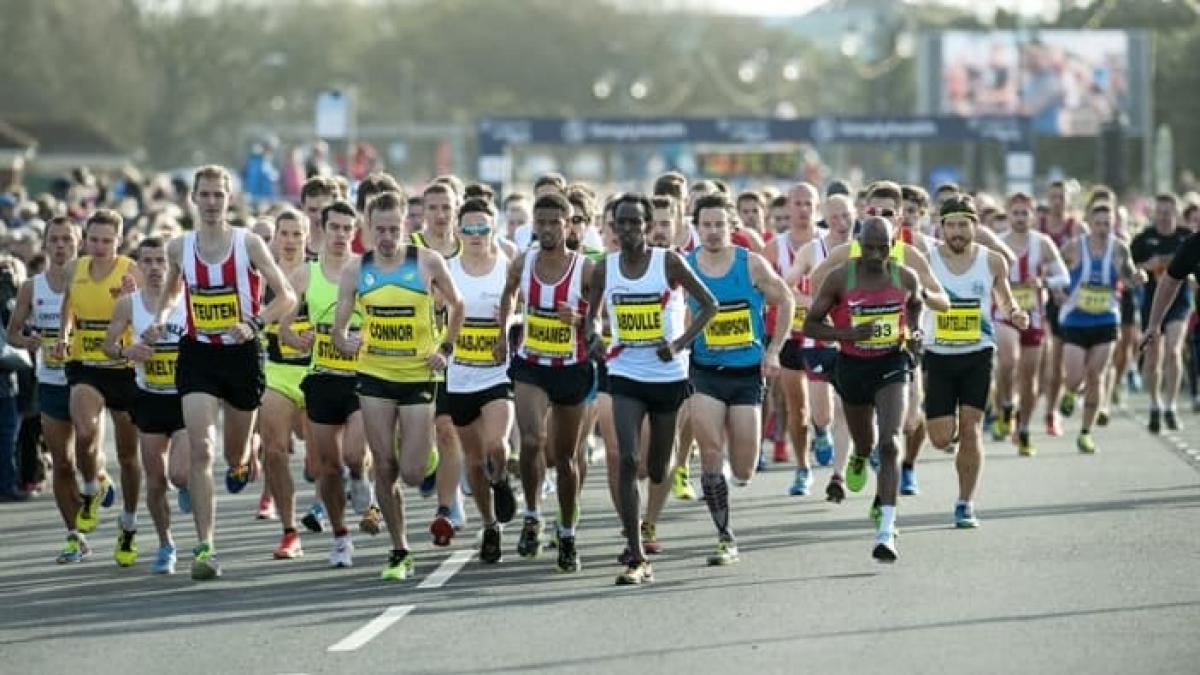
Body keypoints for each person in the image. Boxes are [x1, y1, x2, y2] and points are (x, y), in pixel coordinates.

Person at [145, 165, 296, 580]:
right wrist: (160, 319)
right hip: (198, 355)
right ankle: (205, 547)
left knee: (233, 456)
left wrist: (254, 323)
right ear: (193, 198)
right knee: (201, 450)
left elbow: (286, 295)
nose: (212, 202)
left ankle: (245, 460)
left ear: (229, 199)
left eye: (219, 195)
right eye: (205, 194)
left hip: (242, 356)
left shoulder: (248, 244)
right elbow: (171, 293)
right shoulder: (179, 248)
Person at [585, 192, 717, 585]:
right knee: (627, 460)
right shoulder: (605, 268)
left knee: (656, 467)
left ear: (647, 226)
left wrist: (678, 345)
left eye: (634, 222)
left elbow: (710, 305)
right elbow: (592, 317)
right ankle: (636, 554)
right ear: (612, 228)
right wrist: (593, 337)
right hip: (625, 372)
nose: (627, 230)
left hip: (668, 376)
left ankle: (664, 480)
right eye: (620, 223)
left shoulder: (668, 262)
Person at [332, 190, 463, 581]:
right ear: (368, 228)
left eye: (394, 229)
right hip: (374, 374)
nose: (387, 237)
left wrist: (446, 349)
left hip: (418, 374)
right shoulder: (356, 270)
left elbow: (457, 305)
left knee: (412, 473)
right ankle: (400, 549)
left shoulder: (427, 261)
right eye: (380, 230)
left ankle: (427, 456)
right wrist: (344, 340)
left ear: (406, 224)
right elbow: (340, 327)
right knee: (384, 464)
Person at [804, 217, 925, 561]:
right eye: (868, 247)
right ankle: (858, 454)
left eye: (882, 248)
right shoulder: (841, 277)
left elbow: (916, 306)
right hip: (853, 367)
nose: (874, 255)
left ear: (893, 246)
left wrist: (915, 334)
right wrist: (847, 334)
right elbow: (811, 324)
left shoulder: (905, 277)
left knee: (889, 444)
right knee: (866, 442)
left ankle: (886, 529)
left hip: (891, 364)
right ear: (858, 244)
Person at [686, 193, 793, 565]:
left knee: (745, 467)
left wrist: (774, 350)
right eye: (706, 225)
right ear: (697, 228)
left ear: (731, 227)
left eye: (720, 224)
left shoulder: (751, 265)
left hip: (747, 374)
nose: (713, 231)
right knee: (711, 452)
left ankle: (734, 473)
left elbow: (786, 299)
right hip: (705, 372)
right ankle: (724, 535)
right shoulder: (685, 267)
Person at [496, 192, 597, 572]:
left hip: (571, 367)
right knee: (532, 440)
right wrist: (501, 333)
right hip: (531, 364)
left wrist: (581, 319)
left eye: (556, 222)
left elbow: (603, 318)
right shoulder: (523, 263)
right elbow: (508, 296)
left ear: (568, 225)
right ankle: (532, 515)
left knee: (566, 459)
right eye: (541, 223)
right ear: (533, 226)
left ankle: (567, 532)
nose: (548, 229)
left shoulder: (586, 269)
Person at [921, 195, 1028, 528]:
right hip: (938, 355)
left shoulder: (992, 261)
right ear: (941, 227)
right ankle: (954, 440)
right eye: (951, 225)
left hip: (977, 354)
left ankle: (965, 503)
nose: (957, 232)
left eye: (963, 225)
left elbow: (1004, 300)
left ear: (975, 226)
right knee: (940, 438)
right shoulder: (927, 260)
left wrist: (1015, 313)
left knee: (971, 429)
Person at [282, 199, 368, 568]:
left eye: (347, 229)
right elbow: (284, 327)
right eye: (334, 227)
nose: (340, 235)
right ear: (323, 229)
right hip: (322, 378)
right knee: (328, 467)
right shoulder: (306, 273)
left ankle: (361, 477)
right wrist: (296, 338)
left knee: (353, 455)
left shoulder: (367, 270)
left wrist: (363, 339)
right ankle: (341, 537)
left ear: (355, 232)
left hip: (362, 379)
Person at [55, 209, 142, 566]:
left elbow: (150, 311)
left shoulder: (131, 270)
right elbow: (68, 306)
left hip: (123, 367)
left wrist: (135, 299)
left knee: (128, 456)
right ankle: (91, 490)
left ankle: (129, 525)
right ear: (85, 239)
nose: (100, 246)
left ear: (119, 241)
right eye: (94, 240)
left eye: (107, 241)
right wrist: (63, 336)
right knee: (85, 431)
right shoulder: (75, 269)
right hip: (85, 364)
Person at [101, 237, 190, 573]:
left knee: (179, 475)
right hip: (149, 397)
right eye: (148, 261)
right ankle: (166, 545)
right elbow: (108, 346)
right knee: (155, 481)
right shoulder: (129, 304)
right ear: (138, 266)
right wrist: (128, 351)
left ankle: (187, 484)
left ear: (173, 266)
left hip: (185, 398)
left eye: (161, 261)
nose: (154, 268)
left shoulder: (189, 300)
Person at [6, 218, 88, 556]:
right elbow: (12, 333)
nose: (60, 246)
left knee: (87, 449)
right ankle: (74, 535)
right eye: (54, 240)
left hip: (87, 379)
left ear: (79, 243)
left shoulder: (90, 284)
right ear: (45, 245)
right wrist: (28, 341)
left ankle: (96, 483)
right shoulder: (31, 287)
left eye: (67, 239)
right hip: (51, 381)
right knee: (62, 462)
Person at [446, 198, 517, 564]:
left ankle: (501, 480)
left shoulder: (506, 267)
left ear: (495, 229)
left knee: (496, 445)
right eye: (469, 228)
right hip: (459, 377)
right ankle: (490, 525)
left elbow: (522, 308)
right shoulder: (447, 270)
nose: (475, 235)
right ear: (458, 231)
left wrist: (509, 324)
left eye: (482, 228)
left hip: (496, 373)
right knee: (473, 461)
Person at [1056, 202, 1142, 453]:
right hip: (1075, 319)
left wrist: (1137, 279)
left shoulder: (1119, 248)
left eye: (1108, 224)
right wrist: (1058, 290)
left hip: (1106, 319)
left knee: (1096, 374)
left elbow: (1128, 278)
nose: (1103, 228)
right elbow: (1053, 269)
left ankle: (1085, 432)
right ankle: (1071, 391)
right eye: (1098, 223)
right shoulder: (1074, 247)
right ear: (1089, 223)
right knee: (1074, 377)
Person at [991, 192, 1069, 456]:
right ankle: (1005, 405)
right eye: (1015, 213)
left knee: (1029, 378)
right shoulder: (998, 243)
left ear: (1033, 216)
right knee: (1008, 361)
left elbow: (1063, 276)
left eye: (1025, 213)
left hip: (1034, 316)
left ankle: (1023, 429)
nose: (1020, 218)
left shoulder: (1042, 243)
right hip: (1004, 313)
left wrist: (1044, 283)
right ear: (1008, 215)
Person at [258, 209, 315, 559]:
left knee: (321, 462)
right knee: (275, 451)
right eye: (285, 234)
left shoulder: (320, 273)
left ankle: (346, 494)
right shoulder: (262, 278)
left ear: (308, 237)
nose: (291, 241)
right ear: (275, 238)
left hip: (316, 372)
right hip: (276, 371)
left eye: (298, 234)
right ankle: (289, 531)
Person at [1131, 193, 1193, 432]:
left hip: (1180, 303)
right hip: (1153, 303)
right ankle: (1154, 403)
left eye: (1168, 212)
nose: (1164, 217)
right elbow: (1129, 269)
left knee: (1174, 351)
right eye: (1160, 212)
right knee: (1153, 357)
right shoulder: (1143, 240)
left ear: (1176, 213)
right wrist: (1146, 267)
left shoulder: (1186, 237)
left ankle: (1171, 405)